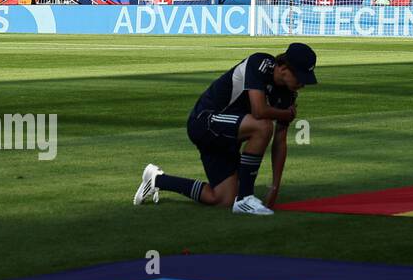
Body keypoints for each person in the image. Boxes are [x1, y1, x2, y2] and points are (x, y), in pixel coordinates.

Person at [134, 43, 319, 215]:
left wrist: (275, 186)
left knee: (223, 198)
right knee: (263, 126)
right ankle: (245, 198)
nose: (303, 84)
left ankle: (157, 179)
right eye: (300, 77)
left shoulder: (288, 94)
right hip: (204, 122)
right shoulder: (260, 63)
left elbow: (280, 141)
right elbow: (259, 110)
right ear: (284, 68)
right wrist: (285, 115)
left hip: (226, 137)